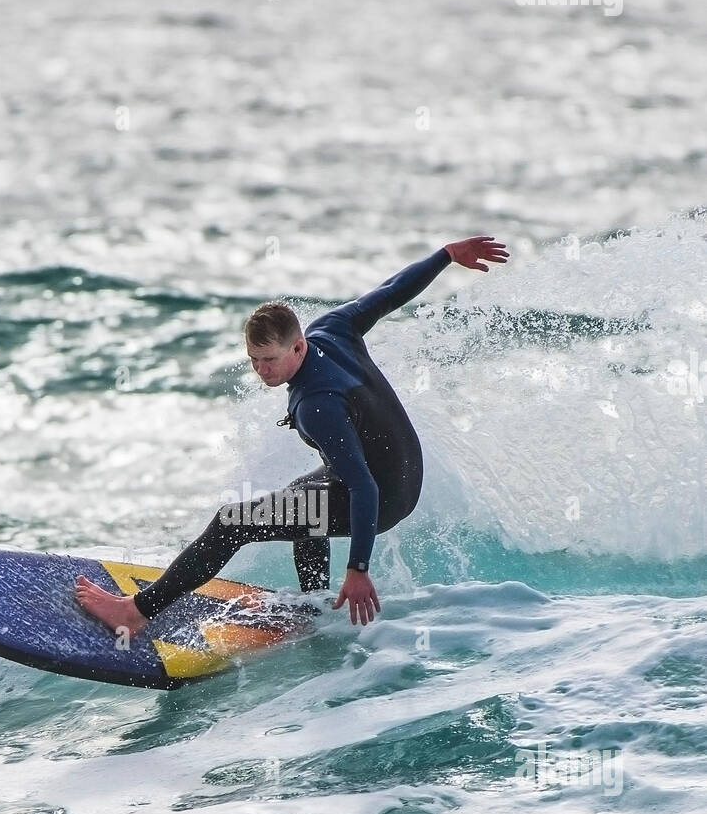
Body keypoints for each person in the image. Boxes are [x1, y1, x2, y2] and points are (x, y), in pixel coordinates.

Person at [75, 235, 508, 636]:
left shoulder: (317, 406)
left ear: (297, 347)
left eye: (269, 359)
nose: (262, 371)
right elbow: (391, 291)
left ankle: (136, 613)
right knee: (299, 503)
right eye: (253, 360)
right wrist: (445, 256)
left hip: (384, 493)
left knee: (232, 523)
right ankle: (314, 607)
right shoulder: (333, 328)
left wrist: (358, 569)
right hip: (401, 470)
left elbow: (361, 487)